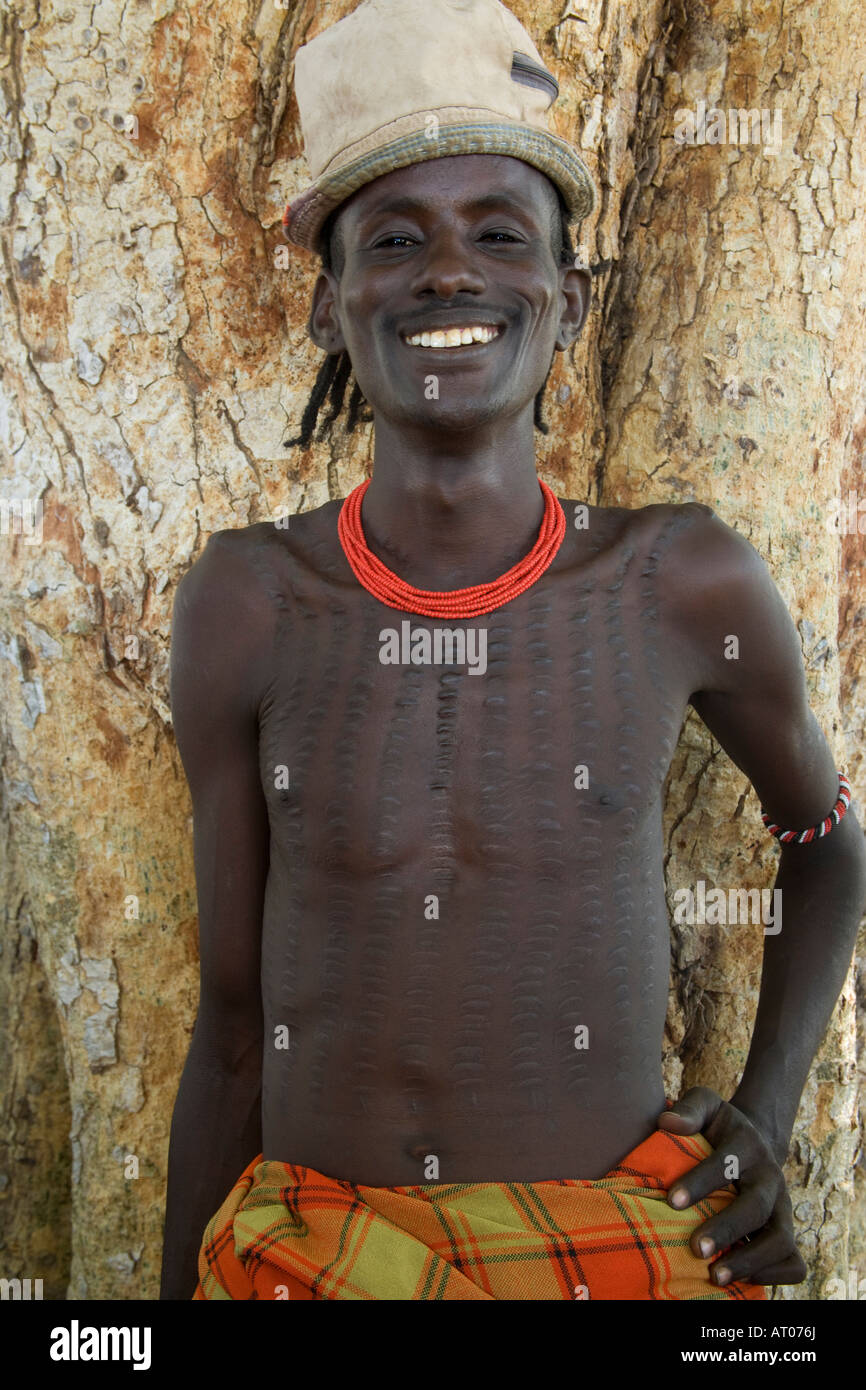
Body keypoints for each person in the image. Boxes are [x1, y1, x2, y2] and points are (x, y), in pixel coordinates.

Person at [159, 0, 866, 1300]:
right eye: (392, 239)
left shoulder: (677, 578)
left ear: (568, 299)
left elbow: (826, 843)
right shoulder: (246, 601)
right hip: (312, 1242)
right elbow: (232, 1024)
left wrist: (766, 1119)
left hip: (624, 1239)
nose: (447, 274)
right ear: (328, 307)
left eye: (498, 232)